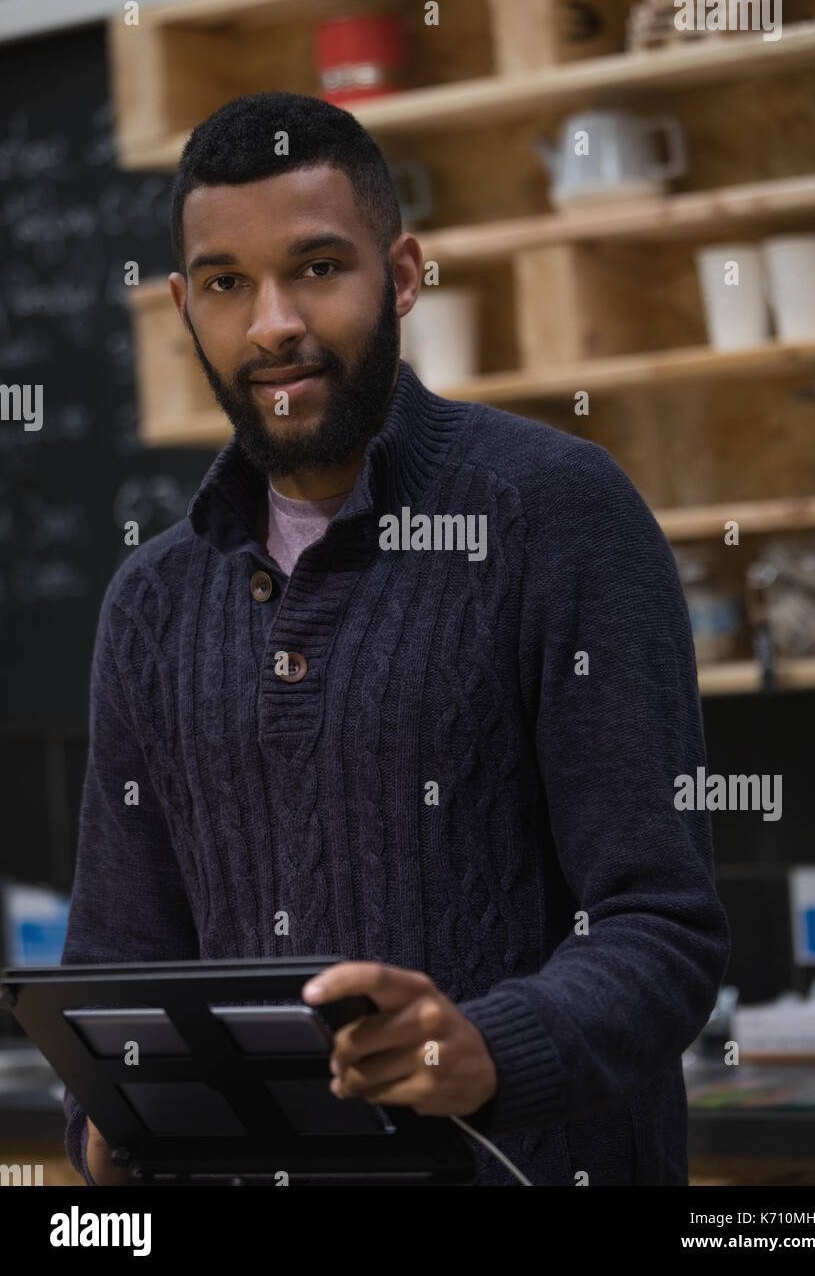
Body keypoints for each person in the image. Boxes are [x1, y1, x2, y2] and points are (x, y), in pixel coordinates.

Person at [62, 91, 730, 1187]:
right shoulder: (151, 600)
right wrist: (106, 1128)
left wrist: (485, 1049)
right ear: (184, 306)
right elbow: (115, 975)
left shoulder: (556, 515)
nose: (272, 322)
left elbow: (660, 927)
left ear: (404, 273)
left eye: (317, 267)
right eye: (227, 283)